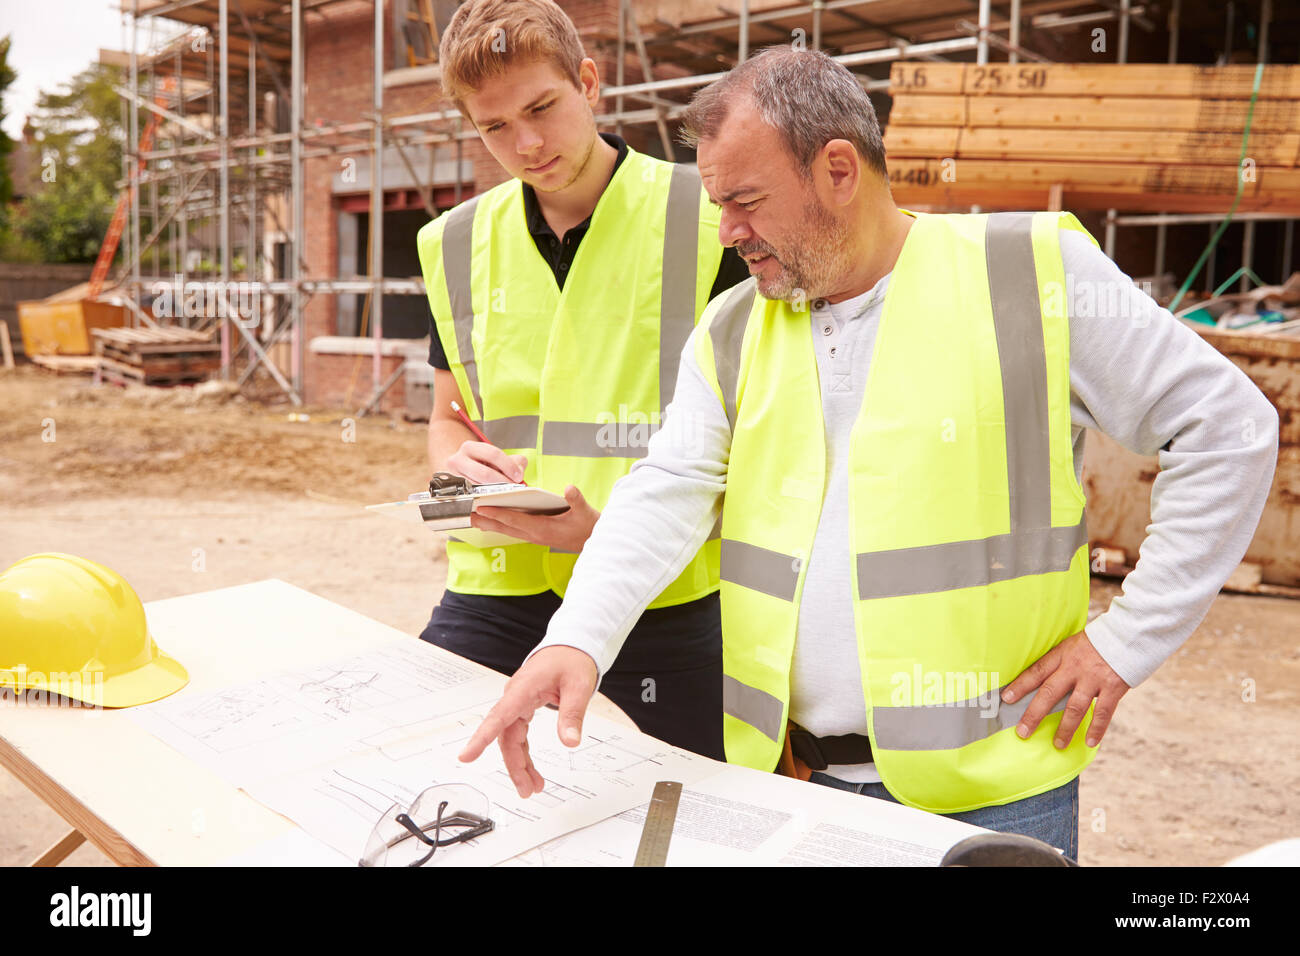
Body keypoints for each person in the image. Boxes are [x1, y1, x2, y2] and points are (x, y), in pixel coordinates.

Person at [457, 46, 1279, 861]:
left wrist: (1126, 642)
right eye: (719, 204)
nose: (728, 232)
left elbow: (1230, 428)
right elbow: (665, 491)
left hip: (992, 797)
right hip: (791, 780)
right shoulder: (736, 330)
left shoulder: (1029, 274)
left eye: (745, 201)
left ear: (839, 170)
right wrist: (576, 640)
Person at [414, 0, 749, 760]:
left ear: (589, 83)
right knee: (437, 774)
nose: (527, 144)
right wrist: (450, 468)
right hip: (496, 582)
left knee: (684, 803)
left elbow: (764, 434)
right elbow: (446, 418)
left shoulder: (708, 221)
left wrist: (607, 536)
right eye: (494, 127)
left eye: (542, 108)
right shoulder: (453, 244)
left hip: (657, 584)